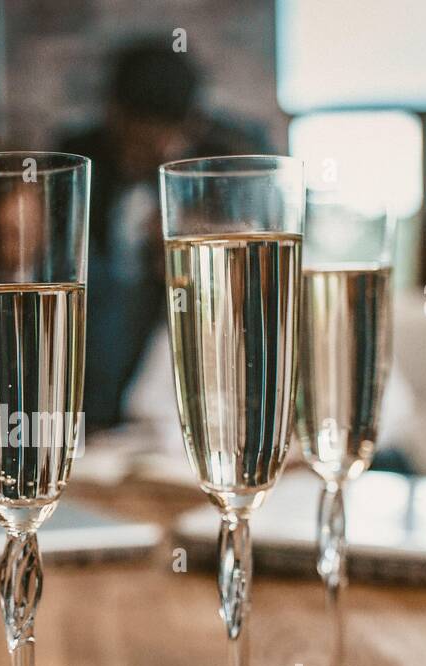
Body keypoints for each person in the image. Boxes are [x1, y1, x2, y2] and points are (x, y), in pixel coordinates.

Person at [56, 40, 273, 434]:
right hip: (105, 350)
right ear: (115, 116)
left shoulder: (233, 155)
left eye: (170, 135)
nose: (159, 148)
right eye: (142, 137)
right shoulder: (77, 159)